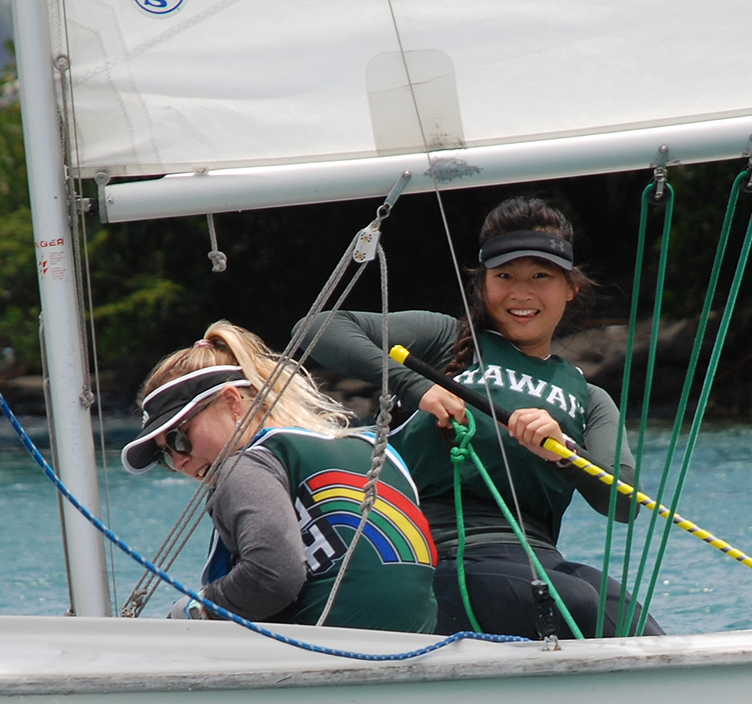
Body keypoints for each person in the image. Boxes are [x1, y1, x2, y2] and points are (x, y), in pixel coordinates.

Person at [300, 196, 662, 638]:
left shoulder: (591, 398)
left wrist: (566, 453)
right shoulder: (445, 340)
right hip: (436, 553)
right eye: (504, 276)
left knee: (628, 618)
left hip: (534, 557)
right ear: (482, 285)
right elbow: (317, 327)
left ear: (571, 287)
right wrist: (420, 387)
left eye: (541, 277)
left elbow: (623, 503)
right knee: (579, 605)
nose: (521, 293)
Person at [122, 323, 439, 634]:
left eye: (179, 438)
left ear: (233, 402)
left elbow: (271, 577)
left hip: (329, 660)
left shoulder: (245, 466)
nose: (179, 462)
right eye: (164, 456)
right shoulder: (380, 452)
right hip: (416, 649)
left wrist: (197, 610)